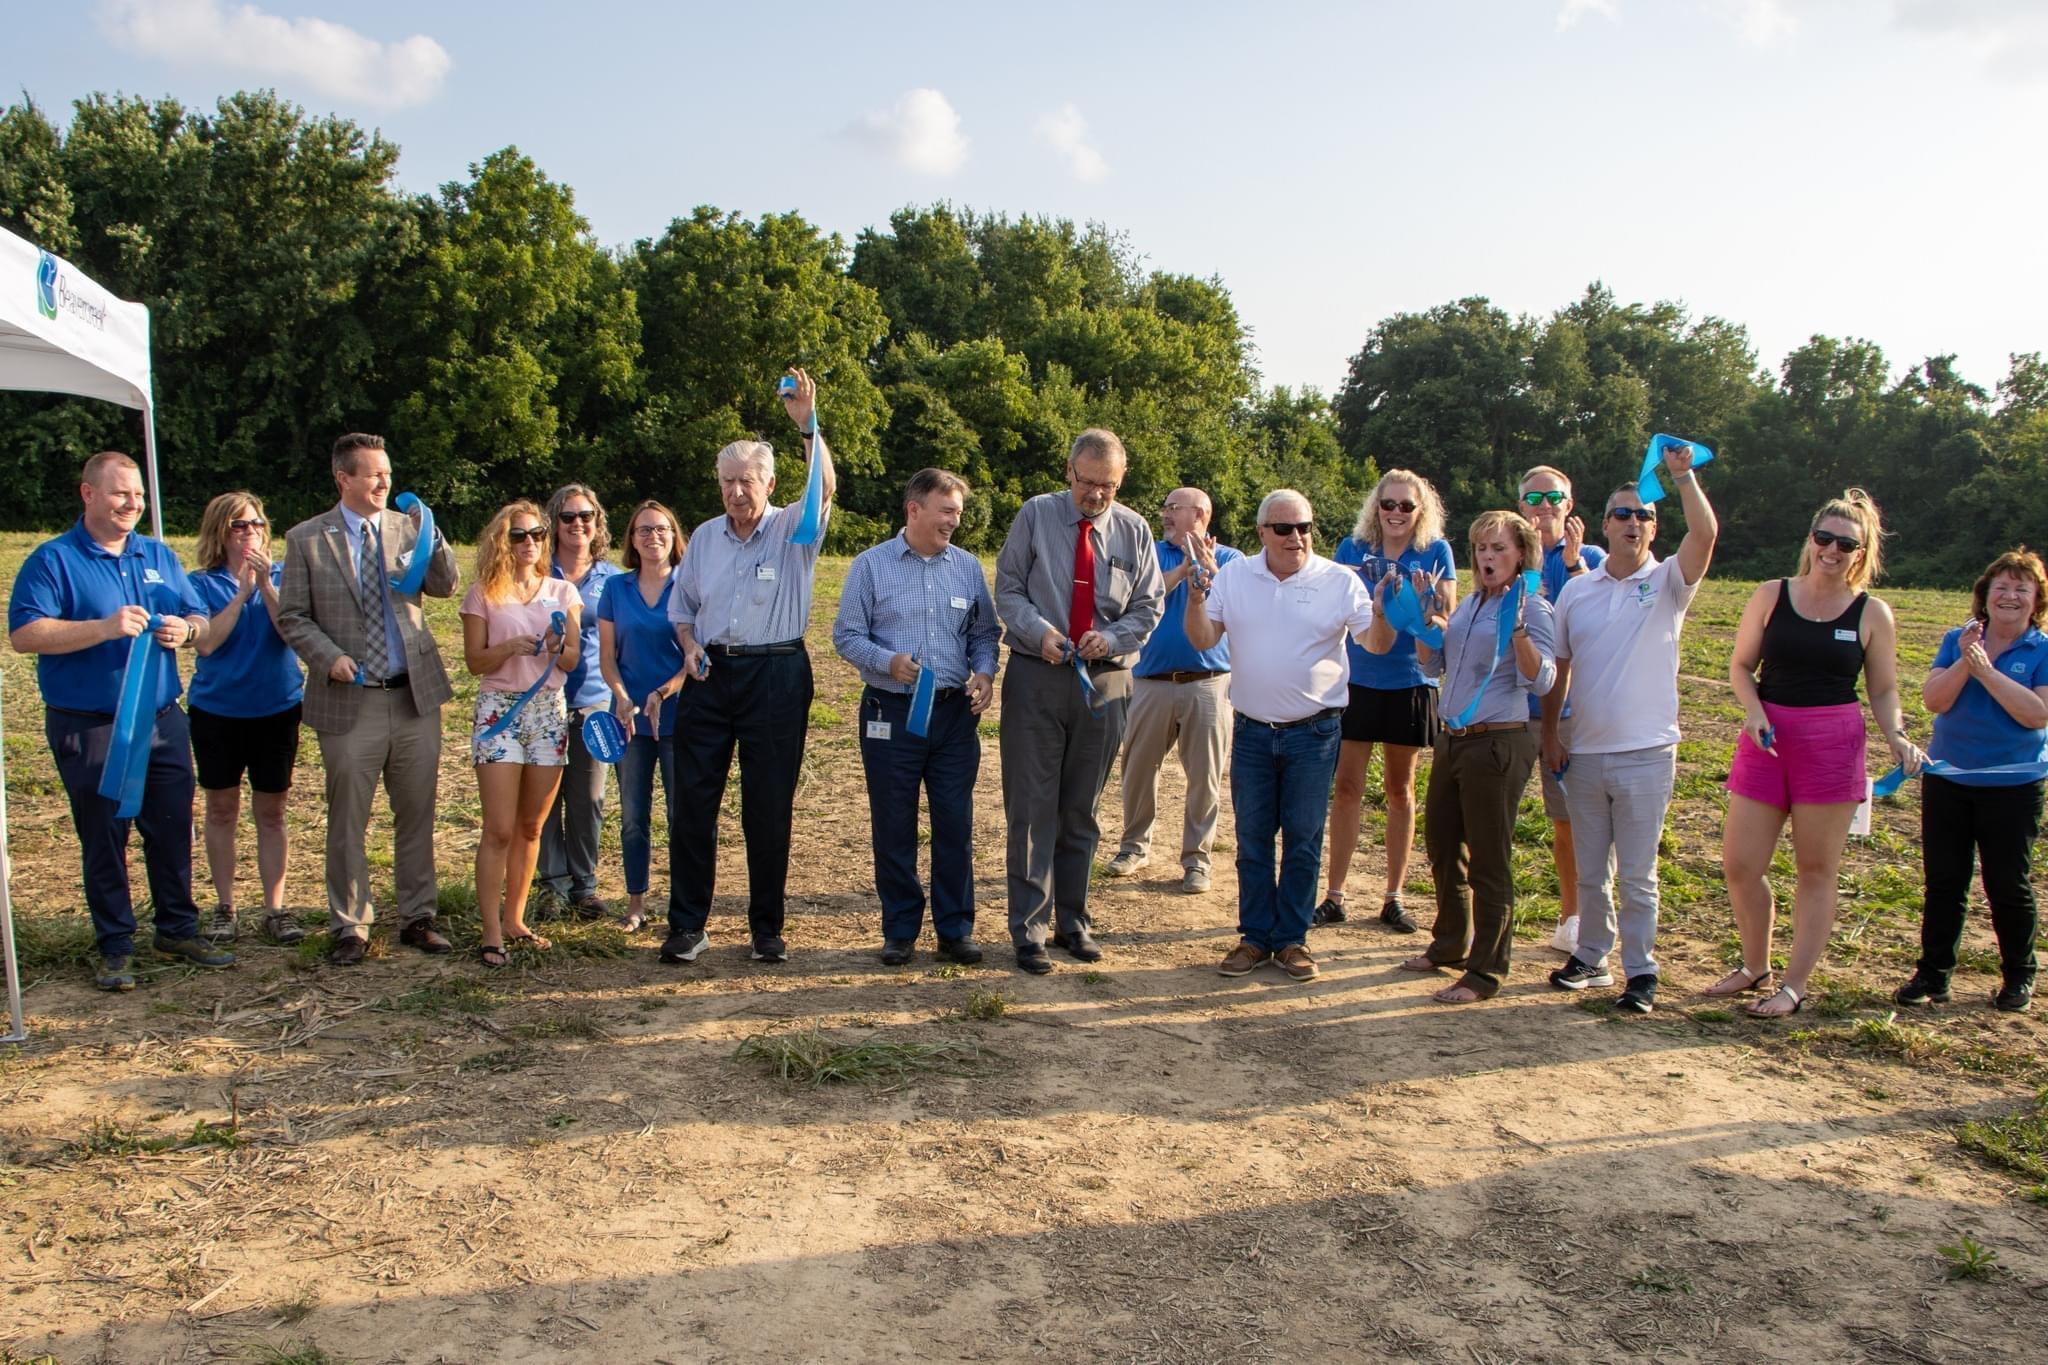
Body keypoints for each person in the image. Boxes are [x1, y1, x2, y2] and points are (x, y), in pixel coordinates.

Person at [7, 452, 230, 990]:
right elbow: (25, 634)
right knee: (105, 835)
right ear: (88, 494)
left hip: (161, 719)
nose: (132, 504)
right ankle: (115, 945)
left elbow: (197, 612)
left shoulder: (156, 554)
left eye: (138, 495)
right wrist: (102, 628)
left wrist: (188, 628)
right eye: (119, 493)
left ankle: (177, 927)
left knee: (174, 828)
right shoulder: (53, 560)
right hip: (91, 726)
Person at [1711, 489, 1924, 1018]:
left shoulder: (1872, 612)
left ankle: (1793, 985)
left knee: (1815, 868)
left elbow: (1883, 690)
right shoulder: (1771, 594)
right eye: (1823, 537)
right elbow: (1741, 668)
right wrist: (1755, 711)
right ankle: (1754, 964)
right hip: (1767, 738)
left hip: (1832, 744)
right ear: (1810, 540)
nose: (1832, 549)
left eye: (1845, 543)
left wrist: (1896, 735)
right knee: (1740, 864)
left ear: (1862, 551)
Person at [661, 368, 834, 967]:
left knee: (768, 804)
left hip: (777, 676)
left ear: (770, 483)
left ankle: (766, 929)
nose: (737, 491)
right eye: (728, 481)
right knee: (693, 802)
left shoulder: (794, 530)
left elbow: (824, 489)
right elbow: (682, 609)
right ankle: (687, 925)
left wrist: (808, 424)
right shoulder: (705, 538)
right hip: (710, 678)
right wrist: (687, 645)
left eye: (748, 481)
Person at [1543, 445, 1718, 1014]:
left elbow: (1706, 534)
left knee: (1638, 875)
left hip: (1646, 751)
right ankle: (1591, 956)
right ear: (1604, 525)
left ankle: (1641, 972)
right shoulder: (1577, 590)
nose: (1635, 522)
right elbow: (1561, 668)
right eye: (1624, 513)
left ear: (1654, 527)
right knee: (1593, 871)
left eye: (1644, 514)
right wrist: (1552, 732)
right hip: (1586, 752)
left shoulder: (1669, 582)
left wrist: (1682, 476)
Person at [276, 432, 461, 966]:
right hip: (348, 700)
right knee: (348, 819)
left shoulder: (409, 529)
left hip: (412, 699)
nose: (384, 483)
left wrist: (434, 536)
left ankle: (418, 917)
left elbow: (446, 587)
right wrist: (327, 655)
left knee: (417, 813)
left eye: (387, 473)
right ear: (343, 479)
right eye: (373, 474)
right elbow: (292, 616)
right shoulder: (308, 539)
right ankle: (351, 925)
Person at [1183, 491, 1375, 982]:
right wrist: (1196, 598)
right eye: (1286, 529)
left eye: (1305, 527)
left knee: (1304, 839)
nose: (1297, 538)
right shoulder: (1234, 576)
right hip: (1250, 731)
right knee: (1252, 839)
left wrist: (1395, 609)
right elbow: (1204, 639)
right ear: (1262, 531)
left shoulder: (1339, 580)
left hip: (1315, 733)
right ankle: (1254, 938)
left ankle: (1291, 940)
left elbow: (1375, 640)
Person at [994, 429, 1164, 974]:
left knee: (1081, 809)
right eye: (1087, 483)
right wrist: (1038, 630)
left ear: (1122, 477)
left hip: (1107, 681)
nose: (1095, 495)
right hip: (1037, 674)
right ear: (1068, 471)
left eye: (1107, 486)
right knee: (1031, 807)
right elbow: (1009, 588)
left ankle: (1074, 922)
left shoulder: (1135, 530)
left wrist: (1111, 639)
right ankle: (1030, 931)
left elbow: (1149, 605)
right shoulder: (1035, 516)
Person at [832, 468, 1000, 965]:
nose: (954, 521)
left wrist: (985, 674)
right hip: (891, 712)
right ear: (914, 509)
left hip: (952, 716)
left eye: (958, 513)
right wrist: (889, 662)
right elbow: (845, 635)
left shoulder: (967, 567)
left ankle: (955, 929)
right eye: (946, 511)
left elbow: (984, 632)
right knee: (893, 822)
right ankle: (900, 929)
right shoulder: (870, 565)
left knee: (955, 822)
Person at [1398, 509, 1556, 1004]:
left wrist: (1522, 634)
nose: (1488, 558)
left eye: (1499, 549)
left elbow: (1543, 681)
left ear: (1521, 556)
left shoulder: (1533, 609)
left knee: (1490, 858)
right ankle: (1449, 944)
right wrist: (1424, 624)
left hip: (1497, 742)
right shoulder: (1467, 604)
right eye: (1482, 549)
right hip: (1453, 736)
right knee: (1443, 845)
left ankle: (1486, 971)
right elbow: (1435, 663)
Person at [1893, 549, 2048, 1014]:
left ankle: (2019, 975)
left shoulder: (2041, 651)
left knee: (2007, 883)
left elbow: (2035, 714)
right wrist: (1966, 659)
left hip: (2013, 786)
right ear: (1985, 595)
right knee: (1944, 882)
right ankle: (1934, 974)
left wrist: (1986, 671)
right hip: (1950, 780)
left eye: (2022, 588)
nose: (2010, 596)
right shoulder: (1955, 639)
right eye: (2001, 586)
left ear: (2036, 600)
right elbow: (1935, 701)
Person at [1317, 470, 1456, 932]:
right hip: (1357, 681)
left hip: (1410, 682)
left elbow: (1444, 617)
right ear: (1375, 507)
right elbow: (1333, 604)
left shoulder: (1435, 552)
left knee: (1400, 791)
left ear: (1421, 512)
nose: (1396, 513)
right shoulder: (1352, 549)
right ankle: (1334, 895)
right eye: (1388, 504)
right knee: (1347, 789)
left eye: (1406, 506)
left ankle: (1393, 897)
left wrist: (1425, 602)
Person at [461, 501, 582, 968]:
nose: (528, 542)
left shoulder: (563, 591)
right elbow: (475, 662)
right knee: (498, 828)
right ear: (501, 542)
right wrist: (508, 648)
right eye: (518, 535)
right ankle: (490, 930)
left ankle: (515, 919)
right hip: (501, 712)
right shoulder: (483, 594)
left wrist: (558, 645)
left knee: (531, 827)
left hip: (549, 712)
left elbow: (571, 660)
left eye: (535, 534)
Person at [1106, 486, 1239, 895]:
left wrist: (1209, 568)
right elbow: (1138, 597)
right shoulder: (1150, 552)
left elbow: (1239, 601)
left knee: (1205, 777)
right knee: (1138, 768)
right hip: (1151, 681)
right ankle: (1134, 846)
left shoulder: (1232, 559)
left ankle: (1197, 860)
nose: (1164, 514)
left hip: (1208, 683)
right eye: (1164, 507)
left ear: (1199, 514)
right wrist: (1185, 567)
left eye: (1172, 508)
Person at [188, 491, 307, 946]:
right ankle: (225, 905)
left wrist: (265, 588)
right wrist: (239, 595)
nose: (250, 533)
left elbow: (291, 634)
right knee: (221, 809)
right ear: (221, 532)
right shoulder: (200, 584)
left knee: (272, 811)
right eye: (240, 526)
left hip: (276, 710)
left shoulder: (282, 578)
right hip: (217, 712)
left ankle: (275, 907)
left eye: (257, 524)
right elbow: (207, 643)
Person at [1519, 464, 1605, 955]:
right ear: (1520, 505)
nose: (1544, 506)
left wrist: (1573, 566)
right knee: (1496, 816)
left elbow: (1600, 618)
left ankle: (1573, 917)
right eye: (1534, 498)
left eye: (1554, 497)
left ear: (1570, 506)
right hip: (1513, 707)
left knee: (1569, 821)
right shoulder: (1508, 552)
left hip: (1571, 713)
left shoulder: (1589, 558)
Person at [598, 500, 689, 935]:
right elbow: (607, 658)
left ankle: (683, 903)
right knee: (634, 815)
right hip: (630, 721)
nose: (653, 537)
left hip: (677, 718)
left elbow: (694, 658)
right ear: (631, 540)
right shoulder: (616, 589)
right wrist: (619, 695)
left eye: (661, 529)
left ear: (674, 537)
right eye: (643, 530)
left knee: (681, 815)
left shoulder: (689, 586)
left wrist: (663, 692)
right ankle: (636, 901)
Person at [535, 484, 624, 921]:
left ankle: (584, 885)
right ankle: (550, 884)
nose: (577, 524)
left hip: (593, 702)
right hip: (542, 700)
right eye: (568, 517)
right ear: (554, 523)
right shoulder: (536, 570)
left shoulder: (610, 577)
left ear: (597, 522)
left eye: (585, 516)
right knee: (545, 799)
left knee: (588, 797)